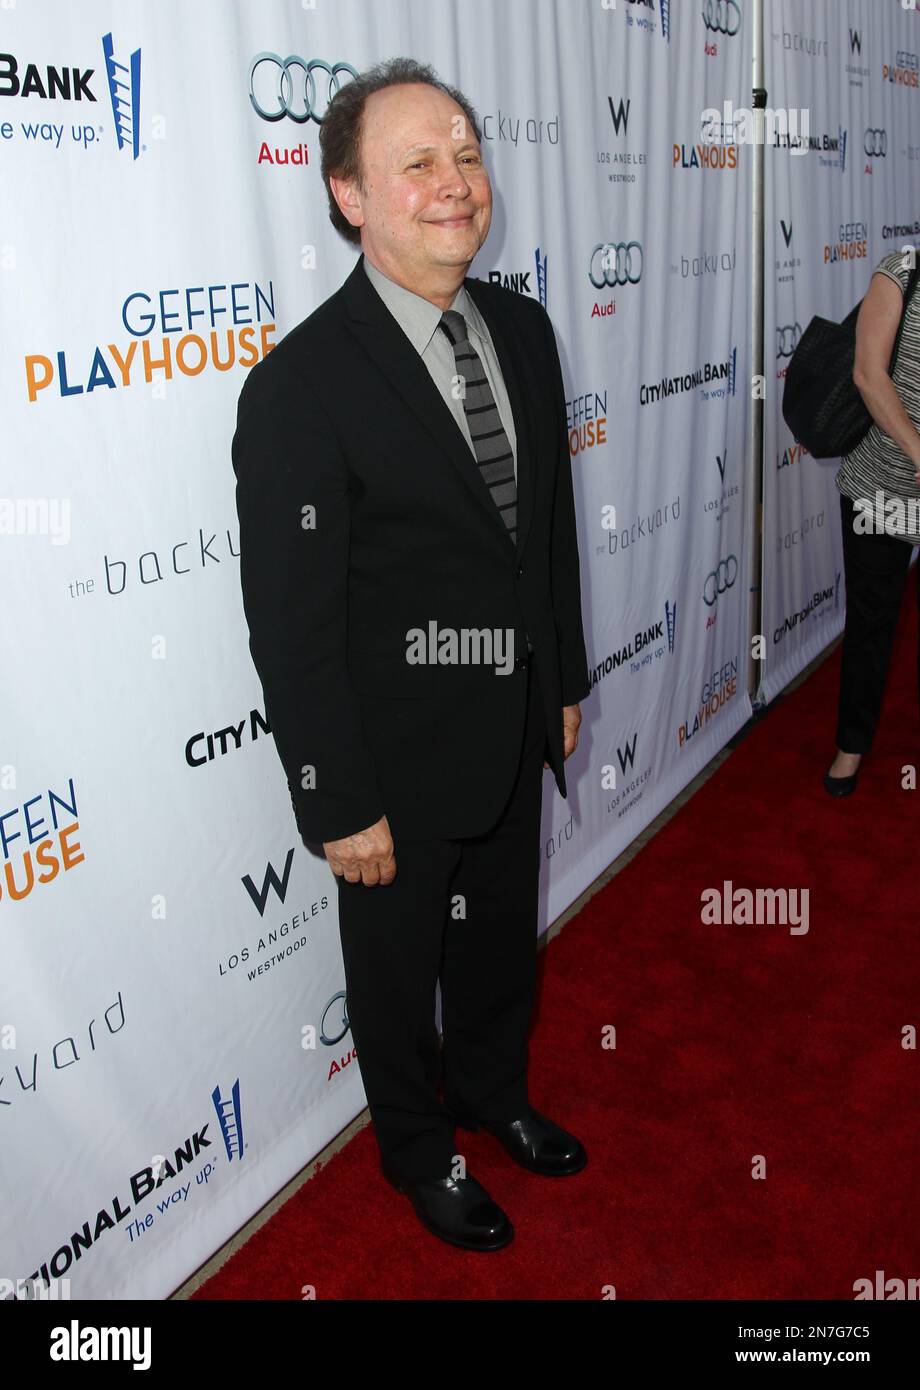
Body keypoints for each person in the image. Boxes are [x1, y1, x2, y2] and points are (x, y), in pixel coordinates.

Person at [231, 57, 591, 1251]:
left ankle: (491, 1096)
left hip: (512, 715)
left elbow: (539, 536)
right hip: (389, 762)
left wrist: (564, 676)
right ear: (349, 194)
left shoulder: (527, 331)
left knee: (497, 942)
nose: (456, 183)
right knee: (391, 976)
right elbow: (291, 618)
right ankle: (416, 1146)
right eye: (419, 163)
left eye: (467, 154)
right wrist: (336, 796)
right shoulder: (301, 388)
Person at [827, 247, 920, 796]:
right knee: (871, 625)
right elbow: (868, 374)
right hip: (882, 489)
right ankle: (851, 746)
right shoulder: (902, 269)